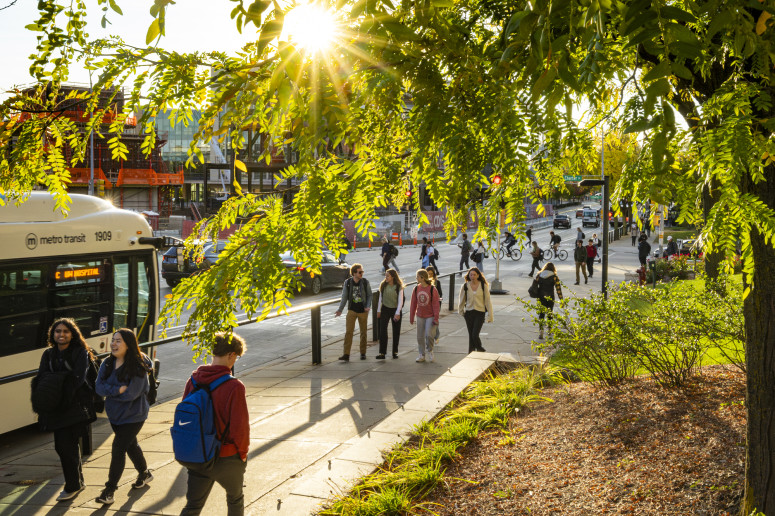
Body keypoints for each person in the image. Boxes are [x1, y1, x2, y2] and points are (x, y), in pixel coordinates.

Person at [180, 333, 249, 516]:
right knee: (235, 499)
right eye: (237, 357)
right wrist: (242, 454)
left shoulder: (193, 380)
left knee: (192, 507)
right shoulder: (235, 386)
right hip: (226, 455)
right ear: (231, 355)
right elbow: (240, 428)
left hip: (198, 454)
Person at [32, 318, 95, 502]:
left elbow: (77, 378)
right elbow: (43, 377)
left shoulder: (80, 352)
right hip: (56, 408)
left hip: (74, 407)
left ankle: (72, 485)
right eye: (58, 331)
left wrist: (59, 386)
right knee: (64, 447)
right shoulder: (48, 354)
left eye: (66, 331)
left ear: (72, 334)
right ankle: (78, 481)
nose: (61, 334)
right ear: (53, 334)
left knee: (66, 446)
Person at [94, 329, 153, 505]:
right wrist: (117, 390)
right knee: (131, 445)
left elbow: (131, 394)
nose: (113, 344)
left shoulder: (139, 364)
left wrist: (111, 391)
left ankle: (109, 491)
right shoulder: (107, 364)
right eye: (113, 340)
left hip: (135, 416)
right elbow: (99, 387)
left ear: (129, 344)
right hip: (115, 415)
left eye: (118, 341)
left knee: (118, 448)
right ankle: (145, 473)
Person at [335, 263, 372, 361]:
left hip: (363, 311)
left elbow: (369, 295)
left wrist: (367, 306)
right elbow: (344, 297)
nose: (361, 274)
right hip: (351, 310)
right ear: (354, 273)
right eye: (360, 272)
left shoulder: (365, 282)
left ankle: (363, 353)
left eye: (362, 272)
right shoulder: (348, 282)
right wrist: (340, 310)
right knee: (348, 332)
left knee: (363, 332)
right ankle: (346, 354)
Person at [458, 267, 494, 353]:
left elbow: (488, 301)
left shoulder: (483, 286)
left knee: (475, 334)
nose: (472, 276)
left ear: (478, 275)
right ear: (469, 275)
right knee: (471, 335)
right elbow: (461, 299)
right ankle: (471, 351)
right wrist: (461, 311)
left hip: (480, 312)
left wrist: (490, 316)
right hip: (469, 313)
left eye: (474, 274)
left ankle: (480, 348)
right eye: (471, 274)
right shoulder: (465, 286)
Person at [409, 269, 440, 363]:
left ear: (422, 278)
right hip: (420, 315)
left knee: (429, 335)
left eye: (417, 277)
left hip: (430, 315)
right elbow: (413, 304)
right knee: (420, 336)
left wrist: (436, 318)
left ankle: (430, 350)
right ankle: (421, 354)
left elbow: (435, 304)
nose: (416, 278)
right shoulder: (416, 289)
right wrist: (411, 317)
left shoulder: (432, 289)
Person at [376, 269, 404, 359]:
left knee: (396, 331)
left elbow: (400, 301)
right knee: (383, 330)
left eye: (388, 276)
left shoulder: (398, 286)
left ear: (393, 277)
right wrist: (378, 310)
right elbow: (380, 298)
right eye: (385, 276)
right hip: (385, 309)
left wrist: (397, 313)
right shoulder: (383, 285)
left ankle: (395, 351)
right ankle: (382, 353)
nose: (386, 277)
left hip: (395, 309)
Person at [530, 262, 563, 340]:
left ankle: (541, 332)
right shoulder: (555, 277)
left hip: (541, 297)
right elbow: (558, 289)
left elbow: (534, 285)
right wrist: (561, 299)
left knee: (541, 314)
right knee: (550, 313)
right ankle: (549, 330)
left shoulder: (539, 275)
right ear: (553, 269)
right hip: (550, 297)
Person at [426, 266, 443, 346]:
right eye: (428, 274)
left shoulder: (437, 282)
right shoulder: (422, 283)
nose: (430, 276)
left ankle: (436, 336)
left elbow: (440, 294)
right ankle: (429, 339)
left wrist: (438, 305)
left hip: (435, 306)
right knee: (426, 324)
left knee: (434, 322)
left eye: (431, 274)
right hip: (425, 306)